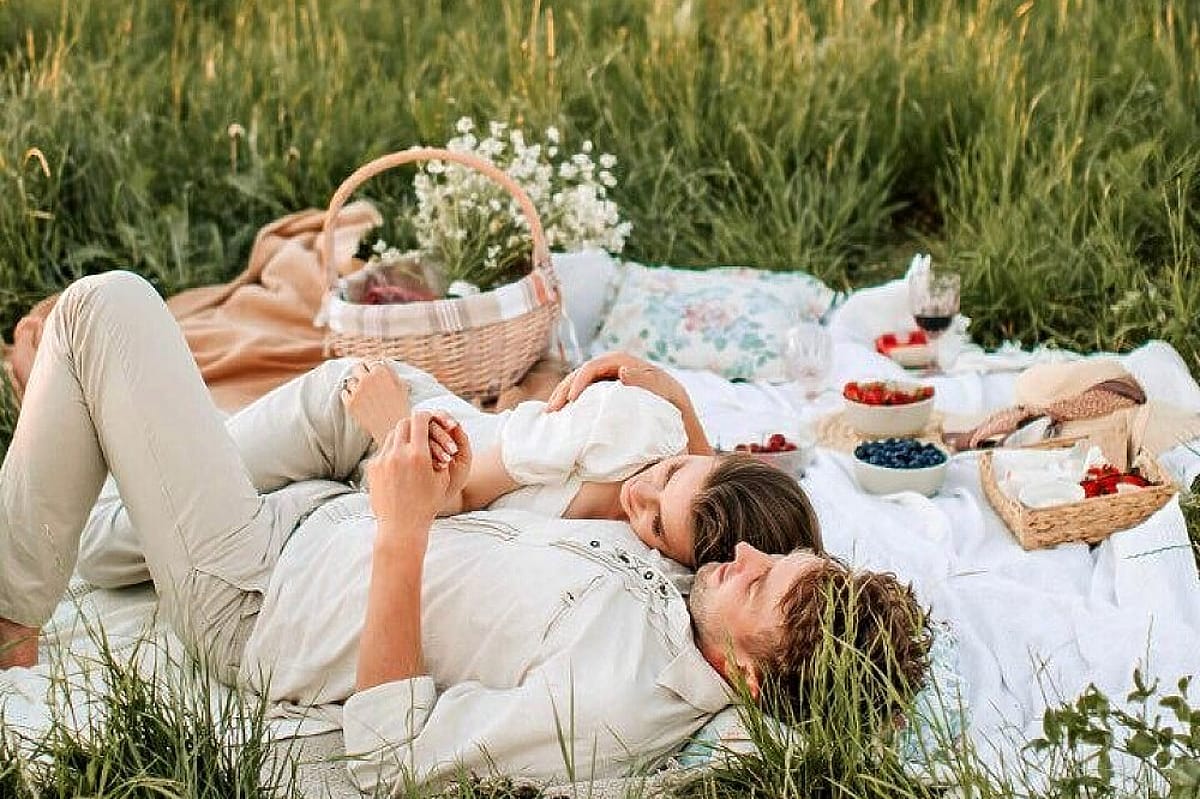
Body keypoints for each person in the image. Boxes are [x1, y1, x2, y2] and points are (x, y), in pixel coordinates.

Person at [0, 271, 930, 792]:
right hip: (312, 516)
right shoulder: (694, 601)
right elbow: (717, 508)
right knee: (89, 519)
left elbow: (392, 754)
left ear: (753, 677)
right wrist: (679, 409)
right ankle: (71, 432)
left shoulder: (613, 699)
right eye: (775, 557)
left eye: (762, 584)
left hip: (256, 597)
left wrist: (403, 532)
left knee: (106, 310)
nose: (746, 560)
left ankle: (8, 612)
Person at [71, 346, 821, 591]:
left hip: (370, 489)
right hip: (381, 417)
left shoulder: (688, 565)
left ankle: (89, 409)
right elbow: (456, 491)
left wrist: (684, 412)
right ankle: (77, 383)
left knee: (169, 512)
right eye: (666, 475)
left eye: (660, 526)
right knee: (105, 545)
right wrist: (676, 409)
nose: (640, 500)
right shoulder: (615, 435)